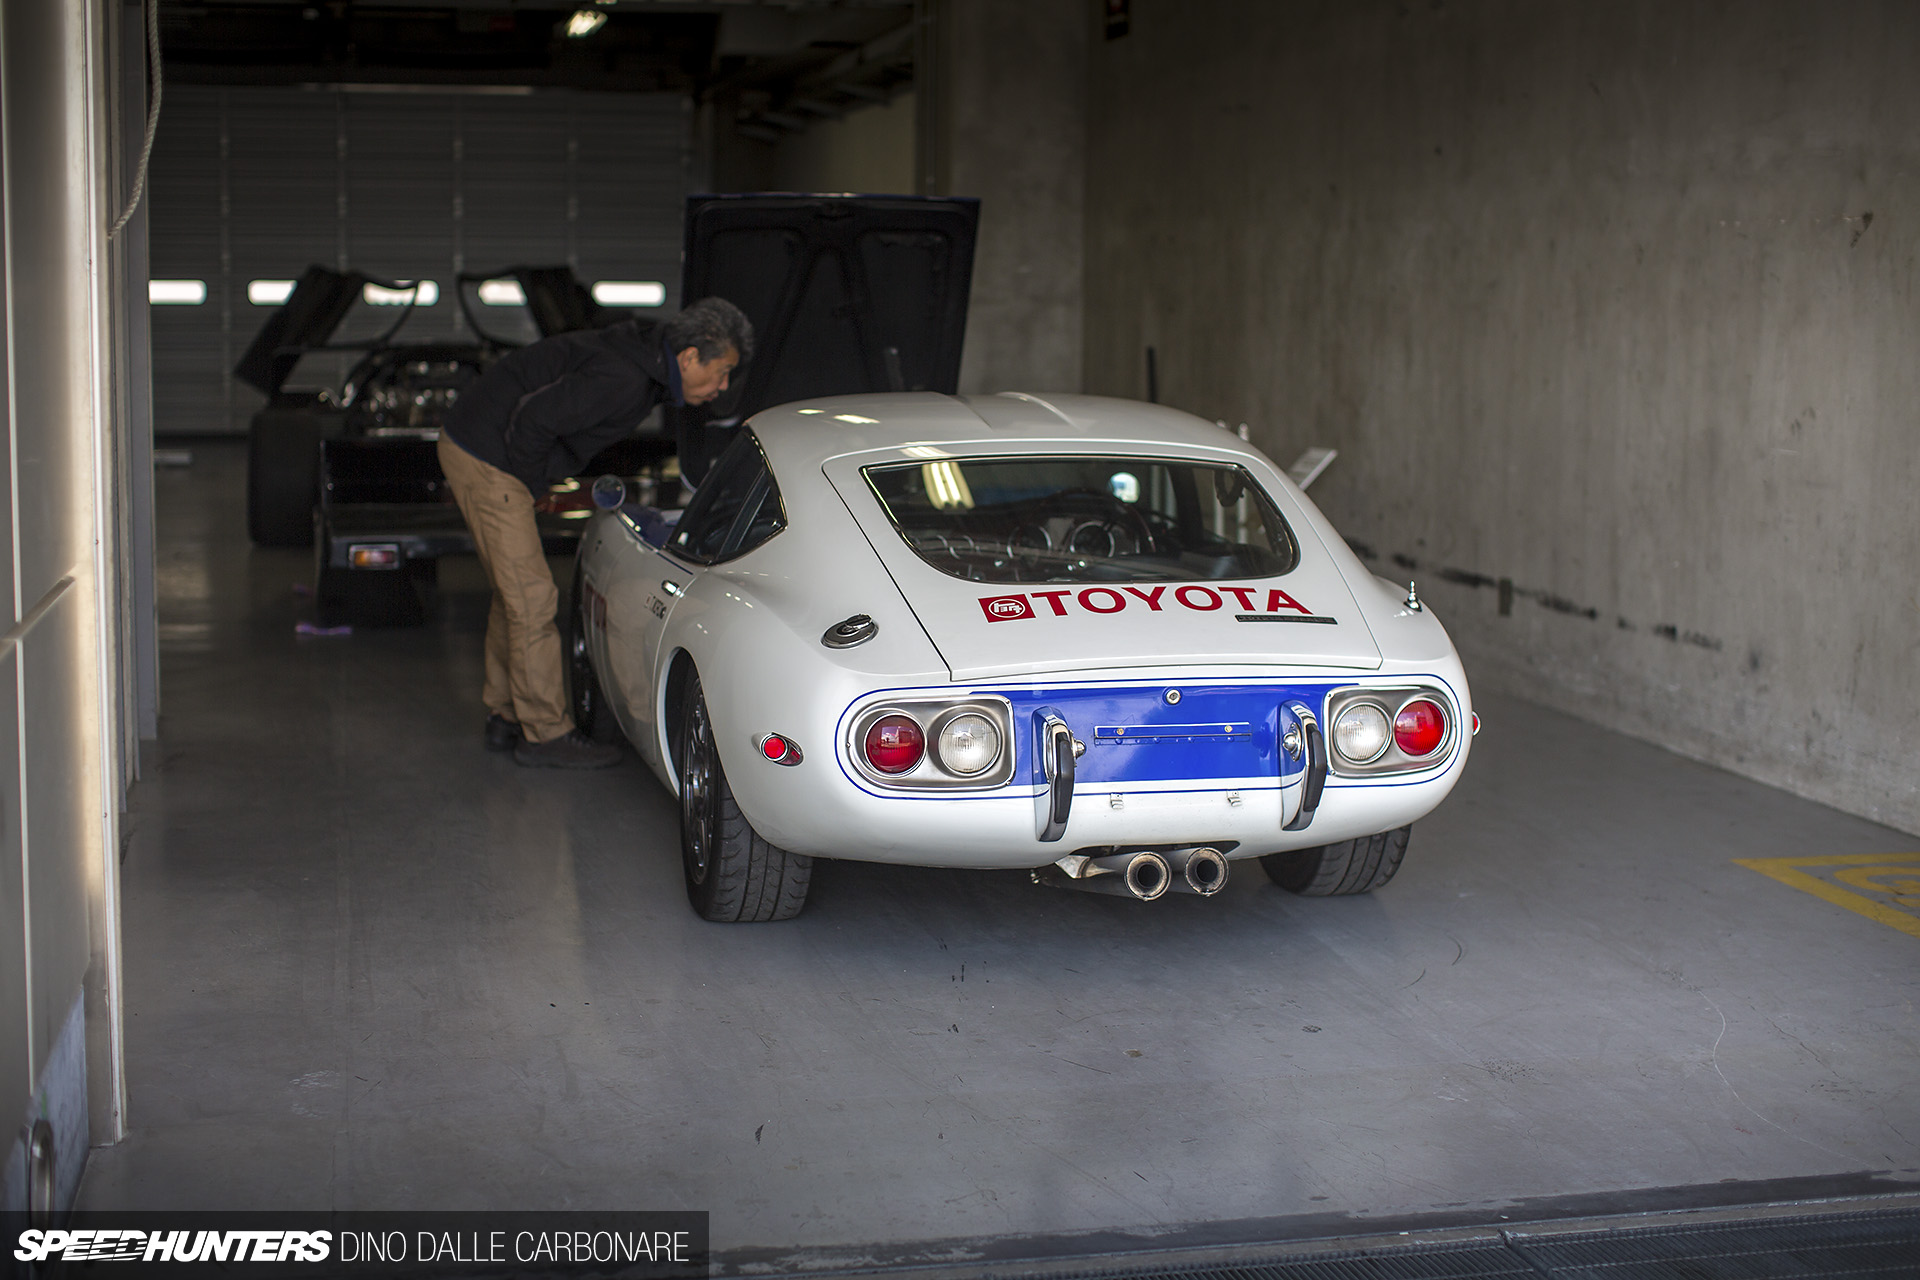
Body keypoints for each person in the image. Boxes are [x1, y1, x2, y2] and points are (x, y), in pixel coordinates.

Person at [437, 296, 754, 768]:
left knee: (516, 595)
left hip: (476, 442)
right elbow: (533, 418)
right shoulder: (623, 378)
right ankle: (544, 734)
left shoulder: (645, 358)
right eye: (721, 372)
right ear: (689, 357)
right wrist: (527, 485)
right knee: (532, 599)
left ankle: (506, 715)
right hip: (486, 456)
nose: (722, 386)